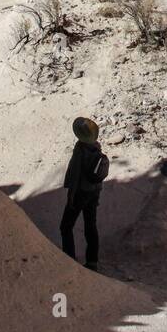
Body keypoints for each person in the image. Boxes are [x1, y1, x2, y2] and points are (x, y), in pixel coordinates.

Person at [60, 116, 108, 270]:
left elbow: (75, 176)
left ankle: (69, 260)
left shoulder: (81, 150)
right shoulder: (97, 147)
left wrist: (71, 197)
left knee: (65, 226)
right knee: (90, 226)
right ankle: (92, 261)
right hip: (94, 193)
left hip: (80, 193)